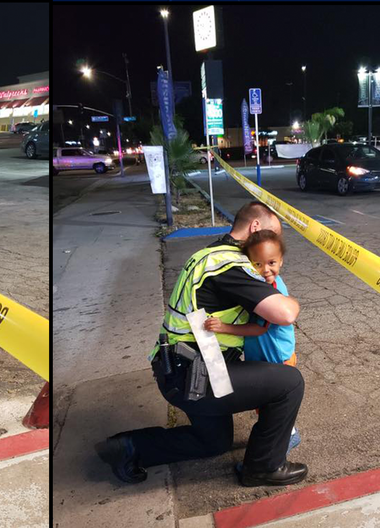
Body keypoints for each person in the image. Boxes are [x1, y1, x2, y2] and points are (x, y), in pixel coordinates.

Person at [101, 201, 307, 487]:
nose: (272, 246)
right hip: (198, 372)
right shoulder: (232, 264)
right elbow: (285, 314)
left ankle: (129, 447)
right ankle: (263, 467)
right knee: (290, 382)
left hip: (181, 369)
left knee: (214, 443)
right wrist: (294, 300)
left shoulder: (207, 254)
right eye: (271, 236)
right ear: (255, 227)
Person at [203, 229, 301, 453]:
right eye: (257, 264)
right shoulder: (264, 285)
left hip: (275, 358)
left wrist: (224, 327)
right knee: (265, 406)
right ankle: (283, 436)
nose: (266, 270)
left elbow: (258, 328)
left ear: (281, 261)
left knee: (273, 406)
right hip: (268, 356)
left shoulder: (271, 291)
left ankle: (283, 442)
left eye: (272, 262)